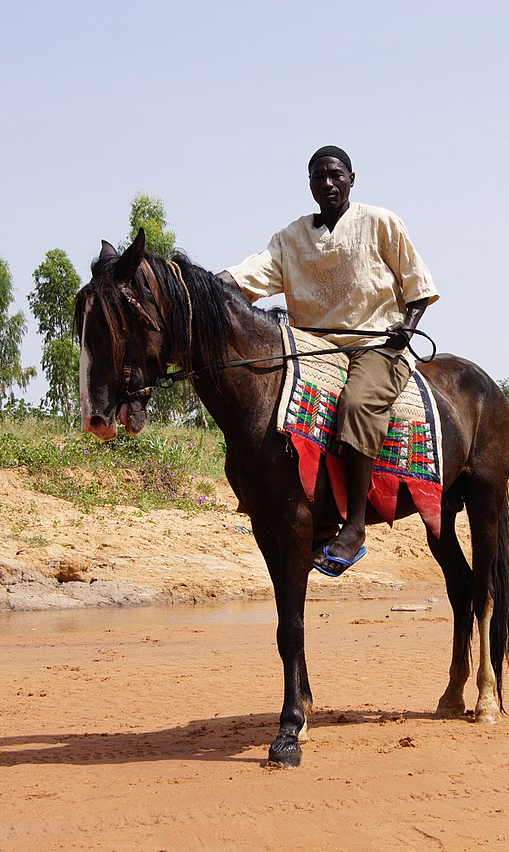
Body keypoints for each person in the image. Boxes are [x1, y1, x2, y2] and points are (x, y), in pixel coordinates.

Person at [218, 145, 439, 577]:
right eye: (319, 177)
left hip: (374, 345)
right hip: (309, 348)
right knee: (277, 417)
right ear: (310, 185)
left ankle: (354, 526)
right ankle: (312, 517)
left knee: (357, 403)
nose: (328, 183)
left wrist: (406, 328)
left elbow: (418, 288)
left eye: (336, 175)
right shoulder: (291, 237)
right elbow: (250, 273)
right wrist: (197, 283)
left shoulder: (381, 222)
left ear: (352, 179)